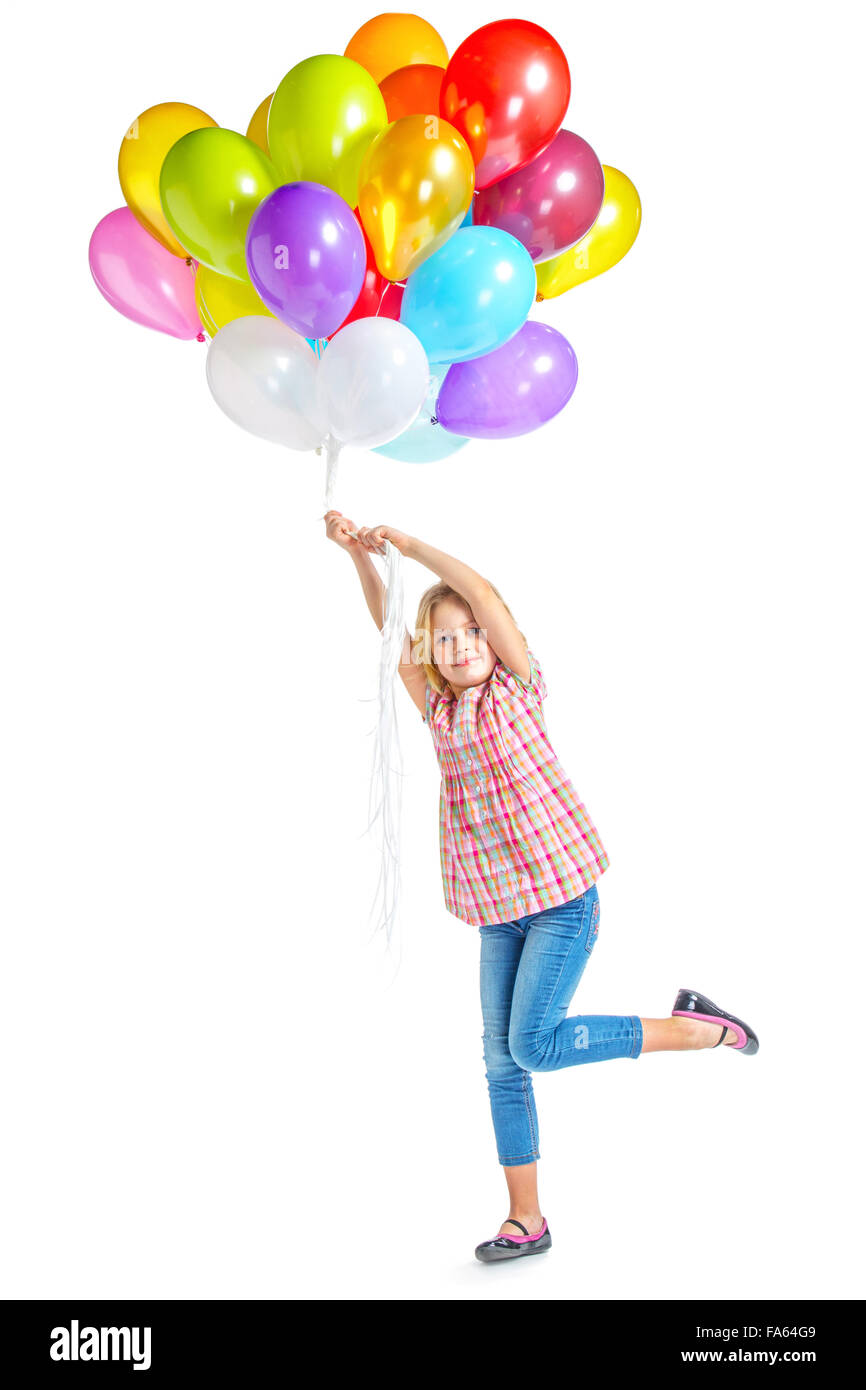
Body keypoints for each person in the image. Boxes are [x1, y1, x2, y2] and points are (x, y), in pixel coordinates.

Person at [324, 511, 758, 1263]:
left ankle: (692, 1031)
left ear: (496, 638)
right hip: (500, 914)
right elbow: (394, 637)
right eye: (445, 640)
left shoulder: (520, 688)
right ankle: (527, 1220)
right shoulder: (442, 714)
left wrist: (411, 546)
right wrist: (357, 559)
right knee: (503, 1063)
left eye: (470, 633)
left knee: (534, 1046)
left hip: (561, 903)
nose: (459, 648)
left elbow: (483, 591)